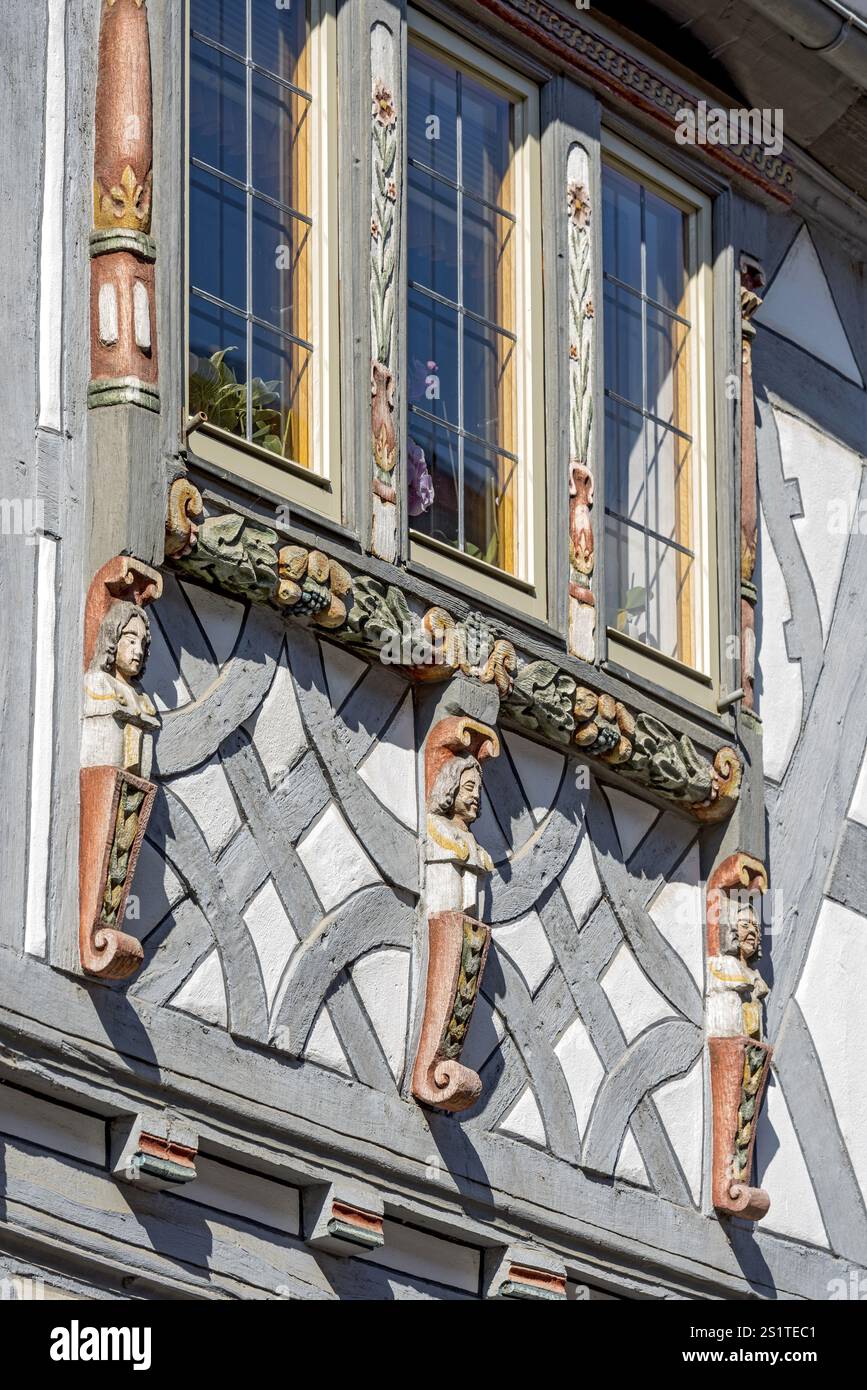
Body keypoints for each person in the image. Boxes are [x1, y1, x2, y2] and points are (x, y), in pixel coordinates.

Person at [81, 601, 159, 779]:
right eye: (131, 641)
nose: (138, 651)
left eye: (143, 644)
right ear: (113, 639)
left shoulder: (142, 696)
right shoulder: (99, 682)